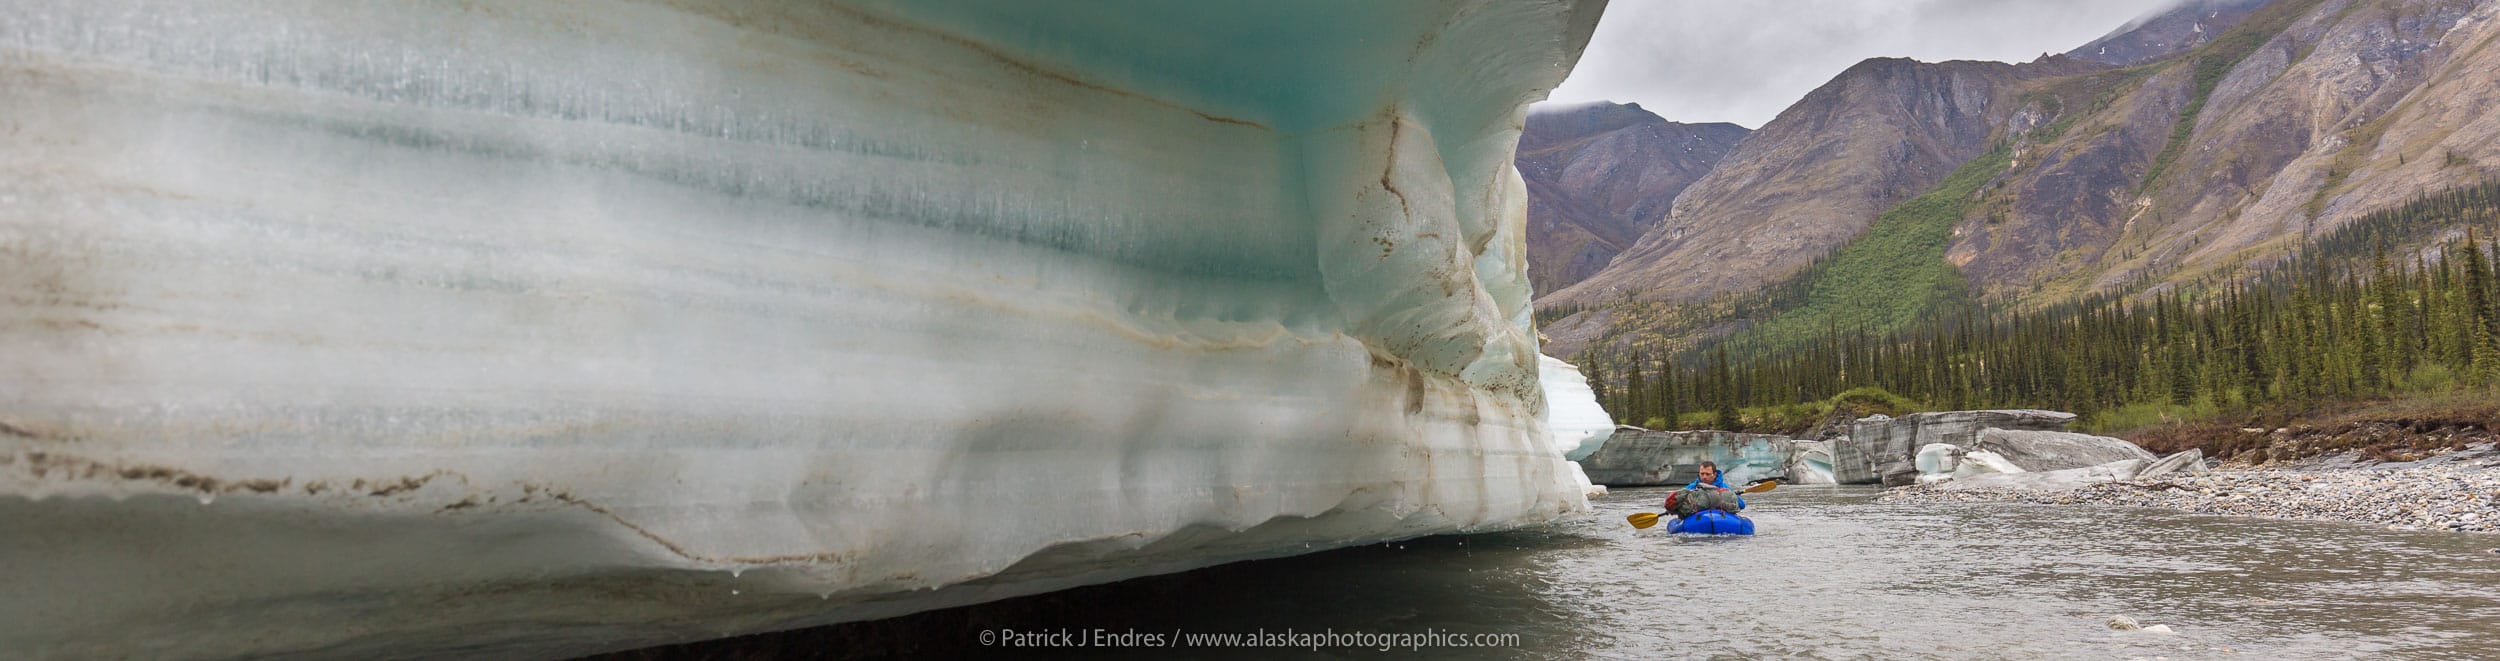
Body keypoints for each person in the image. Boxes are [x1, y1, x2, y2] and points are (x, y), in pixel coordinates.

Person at [1663, 461, 1745, 516]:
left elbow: (1741, 505)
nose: (1704, 477)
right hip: (1698, 518)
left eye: (1707, 474)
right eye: (1702, 474)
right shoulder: (1692, 487)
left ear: (1715, 474)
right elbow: (1678, 500)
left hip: (1720, 516)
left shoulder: (1724, 487)